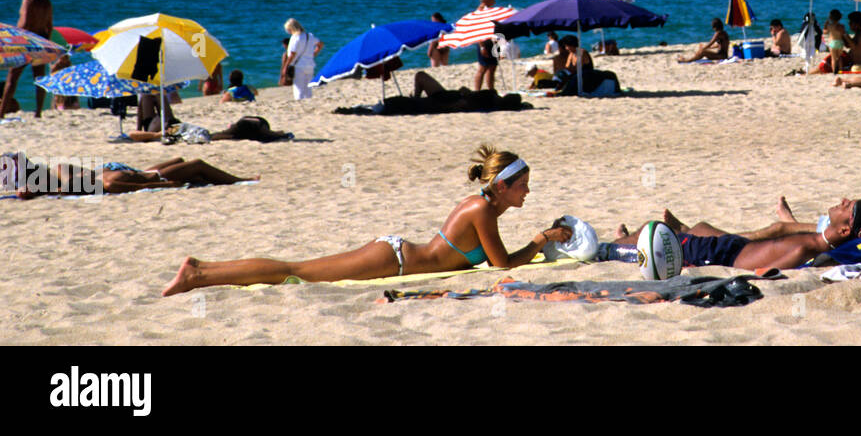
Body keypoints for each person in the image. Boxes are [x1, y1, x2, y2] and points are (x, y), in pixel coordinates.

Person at [160, 145, 570, 296]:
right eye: (522, 186)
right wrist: (540, 239)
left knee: (297, 271)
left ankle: (203, 271)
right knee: (295, 272)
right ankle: (198, 273)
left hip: (396, 254)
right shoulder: (481, 209)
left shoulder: (486, 207)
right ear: (500, 186)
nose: (527, 193)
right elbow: (500, 265)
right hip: (394, 260)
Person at [610, 198, 861, 272]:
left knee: (653, 233)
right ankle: (612, 246)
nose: (843, 199)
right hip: (732, 247)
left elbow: (766, 271)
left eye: (848, 206)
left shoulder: (808, 247)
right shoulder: (817, 238)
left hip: (720, 255)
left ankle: (605, 251)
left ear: (844, 230)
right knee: (683, 229)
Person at [4, 152, 257, 199]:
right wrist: (168, 186)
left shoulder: (60, 173)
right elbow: (114, 186)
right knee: (196, 164)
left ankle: (233, 179)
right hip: (144, 177)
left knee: (181, 161)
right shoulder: (67, 180)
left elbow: (24, 191)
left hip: (136, 173)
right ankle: (240, 180)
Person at [2, 0, 54, 117]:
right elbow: (49, 26)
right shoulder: (46, 1)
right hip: (41, 42)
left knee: (12, 79)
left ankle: (1, 113)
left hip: (25, 44)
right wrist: (46, 44)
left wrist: (12, 38)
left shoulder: (28, 0)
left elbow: (24, 24)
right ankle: (38, 112)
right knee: (39, 79)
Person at [283, 19, 322, 101]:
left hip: (298, 66)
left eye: (288, 30)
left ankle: (299, 103)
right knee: (308, 87)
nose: (288, 32)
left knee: (298, 88)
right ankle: (309, 102)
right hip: (310, 65)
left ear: (291, 28)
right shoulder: (309, 36)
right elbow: (320, 44)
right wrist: (313, 54)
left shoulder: (295, 38)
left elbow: (292, 54)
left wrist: (285, 66)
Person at [472, 0, 500, 92]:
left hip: (490, 41)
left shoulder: (488, 9)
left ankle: (491, 90)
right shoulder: (481, 10)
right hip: (484, 42)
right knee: (483, 68)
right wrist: (482, 46)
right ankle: (477, 91)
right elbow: (477, 30)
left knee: (492, 67)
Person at [823, 9, 847, 73]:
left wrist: (825, 25)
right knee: (839, 58)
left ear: (830, 17)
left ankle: (834, 71)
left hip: (832, 43)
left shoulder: (829, 26)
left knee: (833, 59)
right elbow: (844, 33)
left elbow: (825, 32)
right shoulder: (842, 26)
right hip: (840, 42)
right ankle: (841, 70)